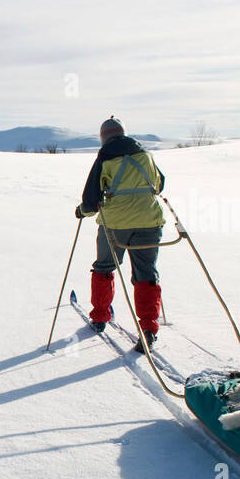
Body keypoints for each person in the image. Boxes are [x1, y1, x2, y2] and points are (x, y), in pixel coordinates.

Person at [74, 117, 166, 351]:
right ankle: (148, 329)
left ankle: (100, 317)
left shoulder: (105, 157)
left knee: (104, 266)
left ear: (104, 137)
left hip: (115, 224)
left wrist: (82, 211)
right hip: (150, 222)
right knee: (146, 273)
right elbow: (160, 183)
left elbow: (91, 199)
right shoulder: (144, 154)